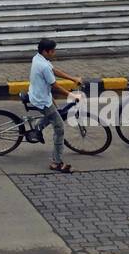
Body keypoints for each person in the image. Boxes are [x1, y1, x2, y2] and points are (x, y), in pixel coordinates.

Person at [27, 37, 85, 174]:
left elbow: (54, 71)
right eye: (52, 51)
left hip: (38, 94)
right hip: (42, 99)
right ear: (46, 52)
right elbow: (55, 86)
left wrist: (73, 78)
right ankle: (56, 162)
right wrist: (72, 96)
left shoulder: (38, 58)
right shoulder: (44, 65)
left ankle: (38, 127)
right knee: (59, 128)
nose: (54, 53)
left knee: (54, 114)